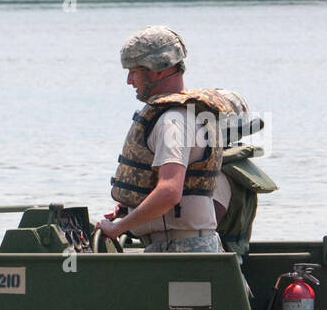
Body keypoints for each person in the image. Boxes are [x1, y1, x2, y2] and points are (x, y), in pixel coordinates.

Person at [95, 26, 233, 253]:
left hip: (179, 252)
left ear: (158, 70)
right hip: (187, 247)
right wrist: (132, 207)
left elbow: (169, 192)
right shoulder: (188, 113)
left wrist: (118, 228)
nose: (130, 80)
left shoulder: (173, 120)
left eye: (134, 71)